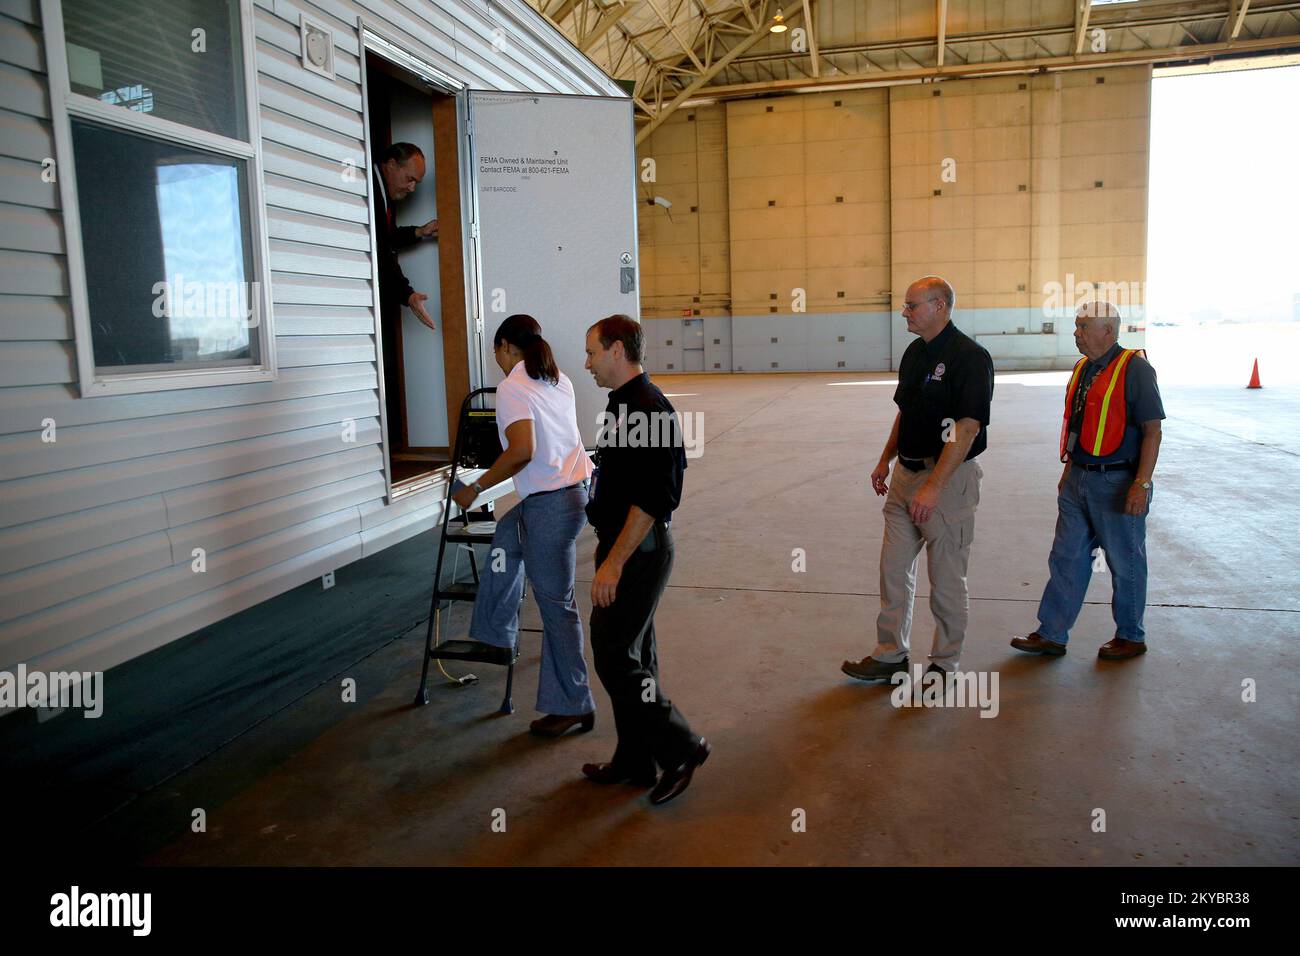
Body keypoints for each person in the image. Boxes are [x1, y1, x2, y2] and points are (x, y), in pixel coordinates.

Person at [581, 314, 709, 806]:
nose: (588, 362)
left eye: (592, 352)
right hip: (625, 545)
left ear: (617, 351)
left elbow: (653, 499)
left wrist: (613, 563)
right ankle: (636, 759)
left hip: (637, 550)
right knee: (636, 657)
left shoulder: (647, 410)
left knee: (614, 656)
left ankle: (683, 747)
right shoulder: (623, 406)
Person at [450, 314, 597, 735]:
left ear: (503, 347)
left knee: (557, 607)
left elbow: (521, 451)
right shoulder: (558, 380)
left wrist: (475, 487)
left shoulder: (513, 387)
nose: (495, 359)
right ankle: (496, 629)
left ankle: (574, 704)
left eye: (495, 352)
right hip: (571, 494)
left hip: (551, 507)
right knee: (505, 537)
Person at [842, 276, 993, 684]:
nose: (904, 312)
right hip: (905, 477)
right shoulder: (914, 353)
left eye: (912, 305)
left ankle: (945, 663)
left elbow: (967, 427)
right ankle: (890, 654)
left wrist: (933, 486)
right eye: (906, 306)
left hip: (946, 482)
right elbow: (905, 412)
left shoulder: (970, 357)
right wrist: (885, 459)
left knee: (945, 579)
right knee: (893, 570)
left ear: (940, 306)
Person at [1011, 301, 1164, 660]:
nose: (1076, 333)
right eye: (1077, 326)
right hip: (1079, 478)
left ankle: (1130, 635)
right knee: (1066, 558)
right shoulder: (1084, 368)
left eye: (1083, 327)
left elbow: (1152, 431)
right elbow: (1079, 426)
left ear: (1108, 331)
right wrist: (1068, 473)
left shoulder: (1136, 370)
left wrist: (1141, 484)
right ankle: (1052, 634)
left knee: (1124, 562)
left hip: (1118, 482)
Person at [372, 142, 438, 441]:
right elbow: (381, 252)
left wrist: (418, 232)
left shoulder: (382, 191)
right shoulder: (369, 189)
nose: (412, 188)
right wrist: (408, 294)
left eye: (417, 182)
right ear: (390, 164)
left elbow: (385, 237)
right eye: (410, 178)